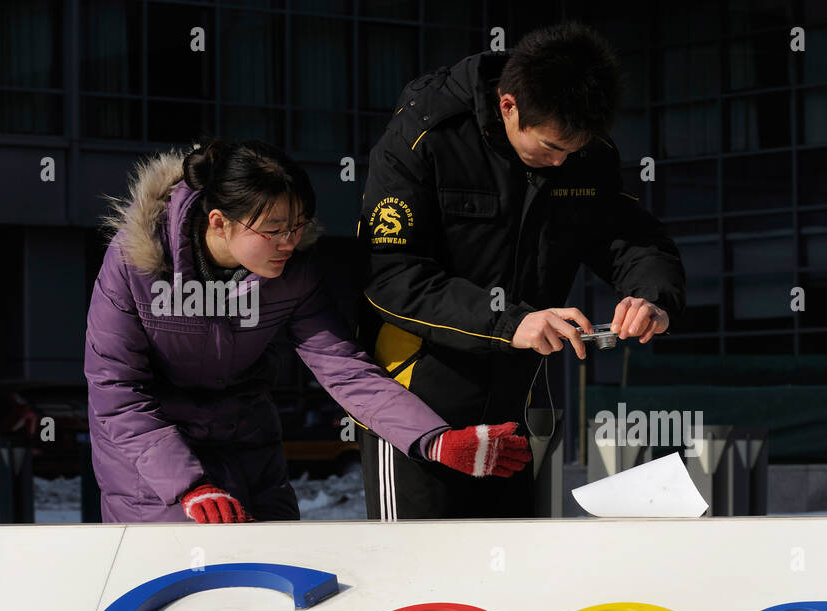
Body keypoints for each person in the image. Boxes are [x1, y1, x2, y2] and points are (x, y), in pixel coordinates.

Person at [85, 140, 530, 523]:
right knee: (183, 593)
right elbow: (115, 389)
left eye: (297, 226)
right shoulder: (134, 264)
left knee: (276, 587)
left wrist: (434, 439)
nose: (289, 242)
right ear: (219, 221)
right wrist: (188, 485)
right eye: (274, 229)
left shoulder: (292, 274)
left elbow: (344, 369)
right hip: (150, 467)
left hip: (247, 447)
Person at [357, 22, 686, 519]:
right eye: (551, 148)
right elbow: (390, 276)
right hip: (418, 401)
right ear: (508, 105)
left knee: (521, 573)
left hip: (522, 398)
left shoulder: (584, 154)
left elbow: (633, 239)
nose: (560, 163)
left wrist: (650, 297)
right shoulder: (425, 134)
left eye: (573, 152)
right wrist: (510, 323)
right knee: (419, 572)